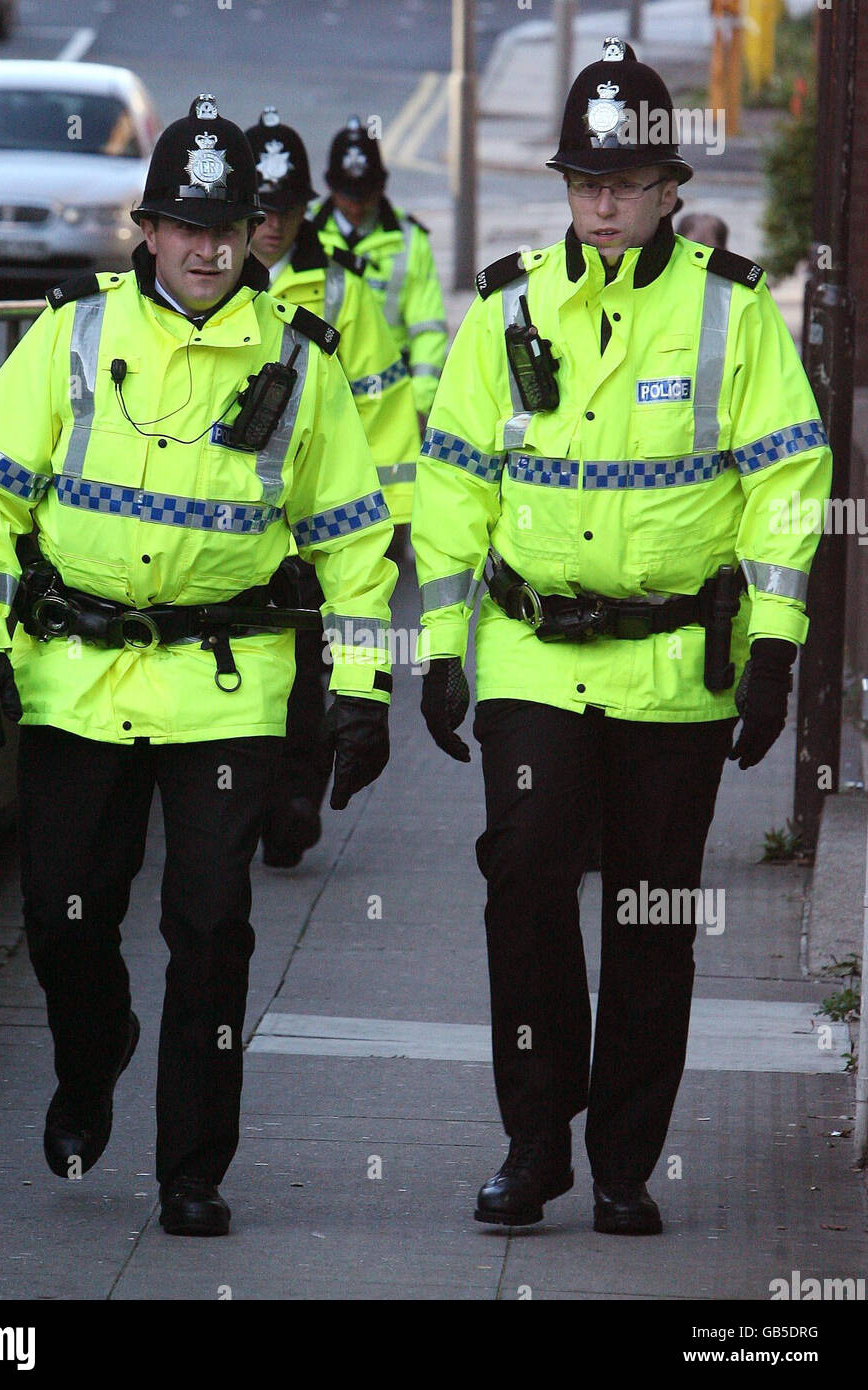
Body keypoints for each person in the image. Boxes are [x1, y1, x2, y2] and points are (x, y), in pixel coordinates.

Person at [0, 94, 396, 1238]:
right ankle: (94, 1060)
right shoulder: (74, 336)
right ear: (145, 227)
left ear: (253, 233)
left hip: (221, 691)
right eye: (184, 225)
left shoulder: (303, 363)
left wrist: (365, 687)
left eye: (228, 226)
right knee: (62, 921)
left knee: (213, 928)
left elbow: (352, 539)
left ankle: (193, 1167)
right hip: (76, 684)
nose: (205, 247)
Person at [412, 39, 831, 1236]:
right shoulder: (505, 308)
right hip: (535, 656)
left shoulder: (732, 315)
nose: (602, 203)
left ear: (668, 191)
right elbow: (449, 486)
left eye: (625, 182)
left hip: (673, 667)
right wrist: (442, 649)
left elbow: (790, 479)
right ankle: (536, 1140)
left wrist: (777, 646)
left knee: (651, 914)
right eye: (584, 181)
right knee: (528, 876)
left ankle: (623, 1161)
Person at [245, 107, 420, 867]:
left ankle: (292, 802)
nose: (275, 227)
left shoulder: (344, 295)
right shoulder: (202, 282)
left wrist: (389, 523)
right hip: (232, 538)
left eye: (286, 211)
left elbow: (382, 413)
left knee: (309, 677)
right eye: (262, 211)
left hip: (315, 538)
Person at [310, 116, 448, 534]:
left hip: (388, 396)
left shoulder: (410, 239)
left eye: (365, 195)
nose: (355, 205)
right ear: (331, 188)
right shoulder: (305, 232)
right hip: (324, 387)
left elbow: (427, 329)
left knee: (389, 511)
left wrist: (420, 403)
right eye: (347, 195)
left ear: (381, 188)